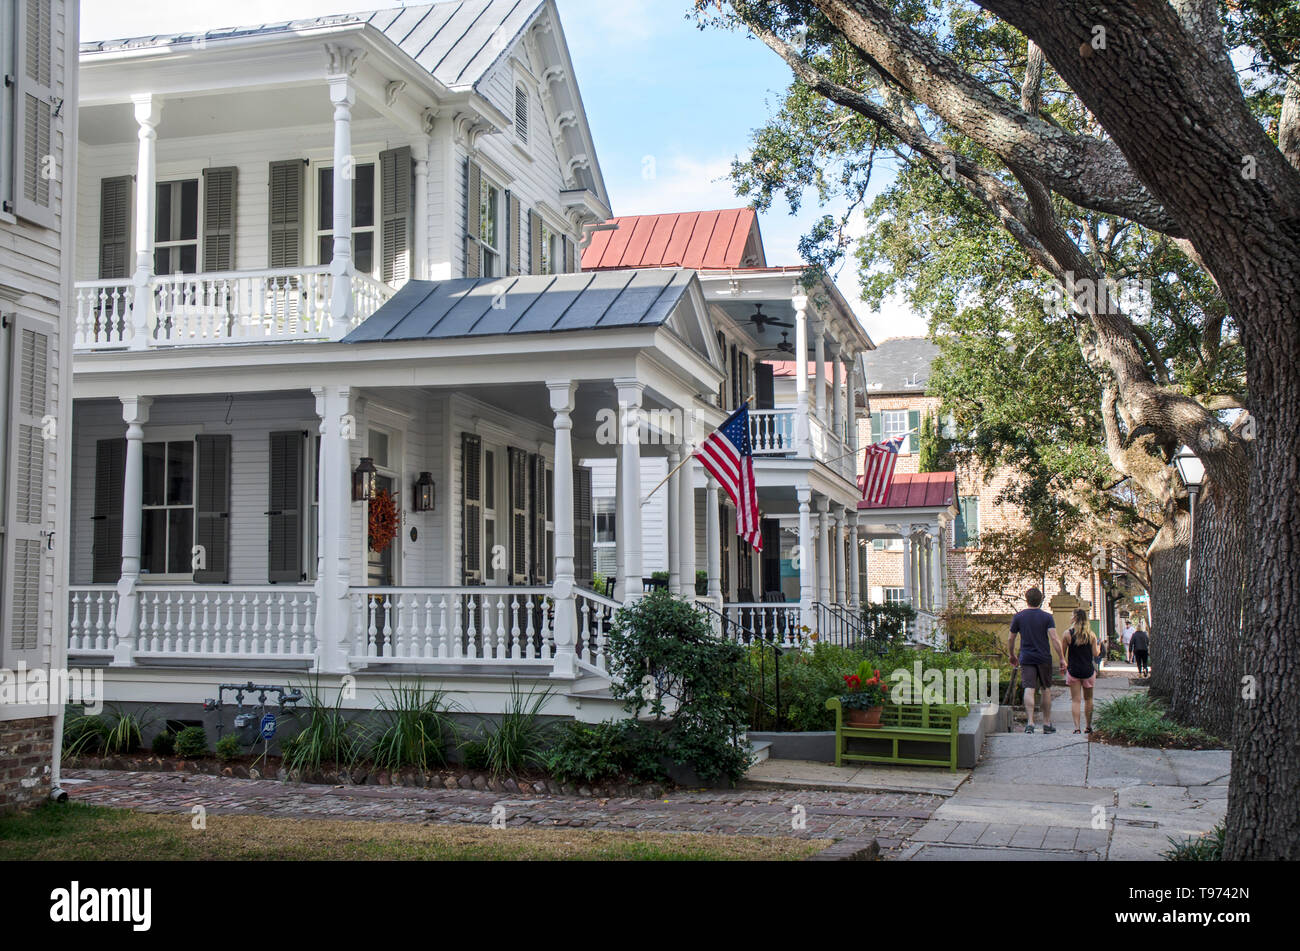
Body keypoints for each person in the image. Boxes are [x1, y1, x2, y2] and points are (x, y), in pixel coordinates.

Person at [1009, 587, 1057, 734]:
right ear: (1041, 600)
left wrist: (1011, 654)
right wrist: (1062, 658)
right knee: (1046, 689)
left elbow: (1011, 638)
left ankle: (1030, 723)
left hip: (1027, 657)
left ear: (1026, 599)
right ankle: (1047, 723)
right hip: (1044, 657)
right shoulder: (1047, 617)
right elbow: (1054, 638)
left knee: (1029, 688)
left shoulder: (1019, 617)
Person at [1060, 608, 1101, 734]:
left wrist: (1064, 665)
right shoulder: (1091, 635)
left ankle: (1077, 728)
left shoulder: (1067, 634)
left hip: (1073, 671)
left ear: (1075, 618)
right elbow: (1095, 653)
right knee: (1089, 699)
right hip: (1088, 671)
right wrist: (1099, 645)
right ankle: (1088, 726)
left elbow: (1062, 653)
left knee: (1076, 700)